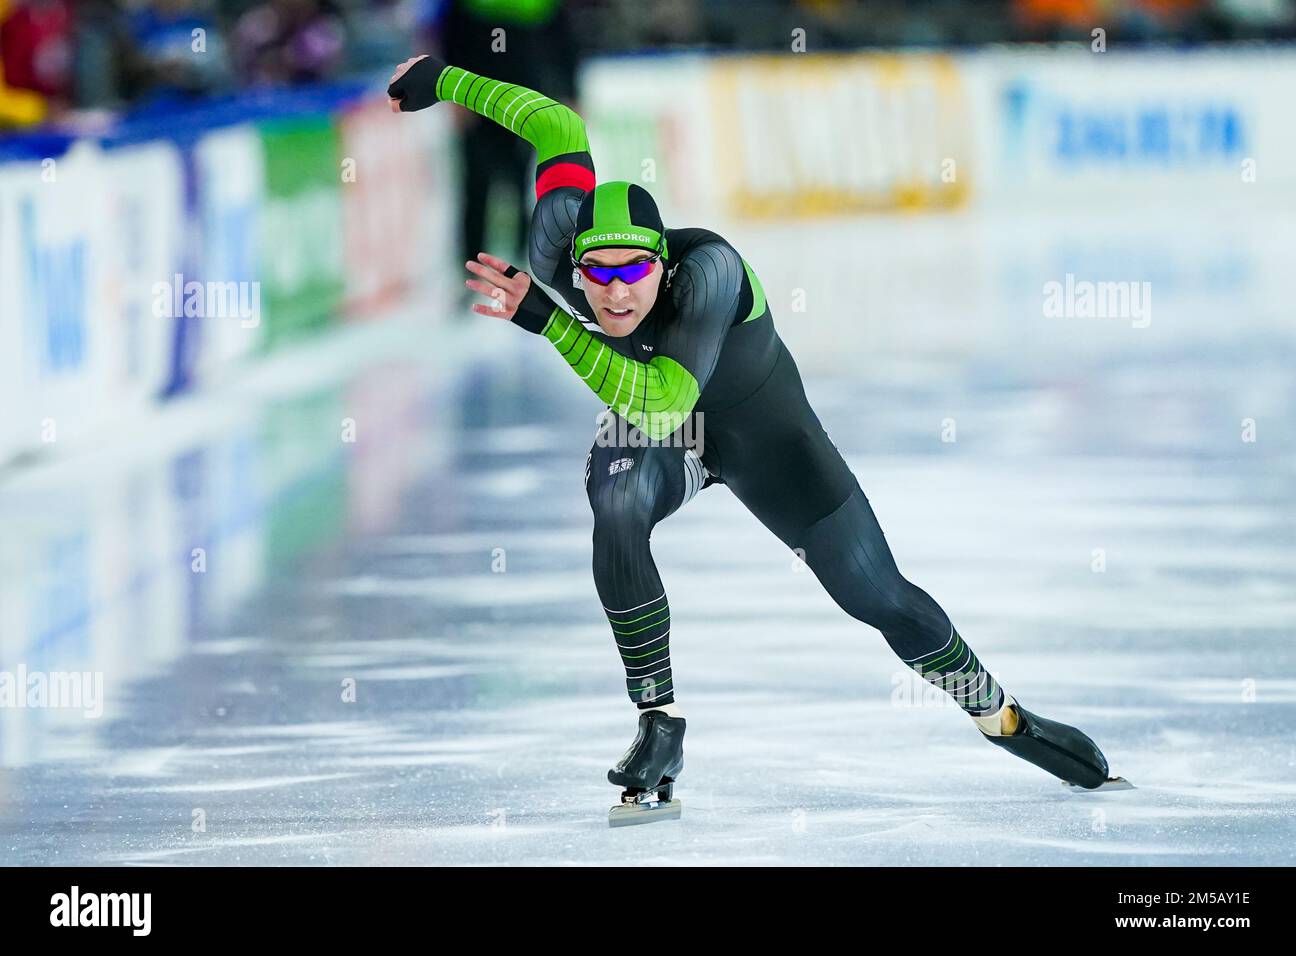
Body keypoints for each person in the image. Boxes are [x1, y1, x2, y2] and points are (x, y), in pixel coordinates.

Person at [386, 53, 1129, 821]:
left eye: (633, 271)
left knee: (881, 601)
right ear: (571, 257)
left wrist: (545, 321)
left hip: (767, 443)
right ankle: (658, 724)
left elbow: (667, 400)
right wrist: (443, 78)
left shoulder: (709, 274)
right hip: (673, 435)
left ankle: (1002, 715)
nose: (612, 292)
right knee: (614, 499)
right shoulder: (554, 241)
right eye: (594, 274)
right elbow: (555, 124)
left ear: (663, 261)